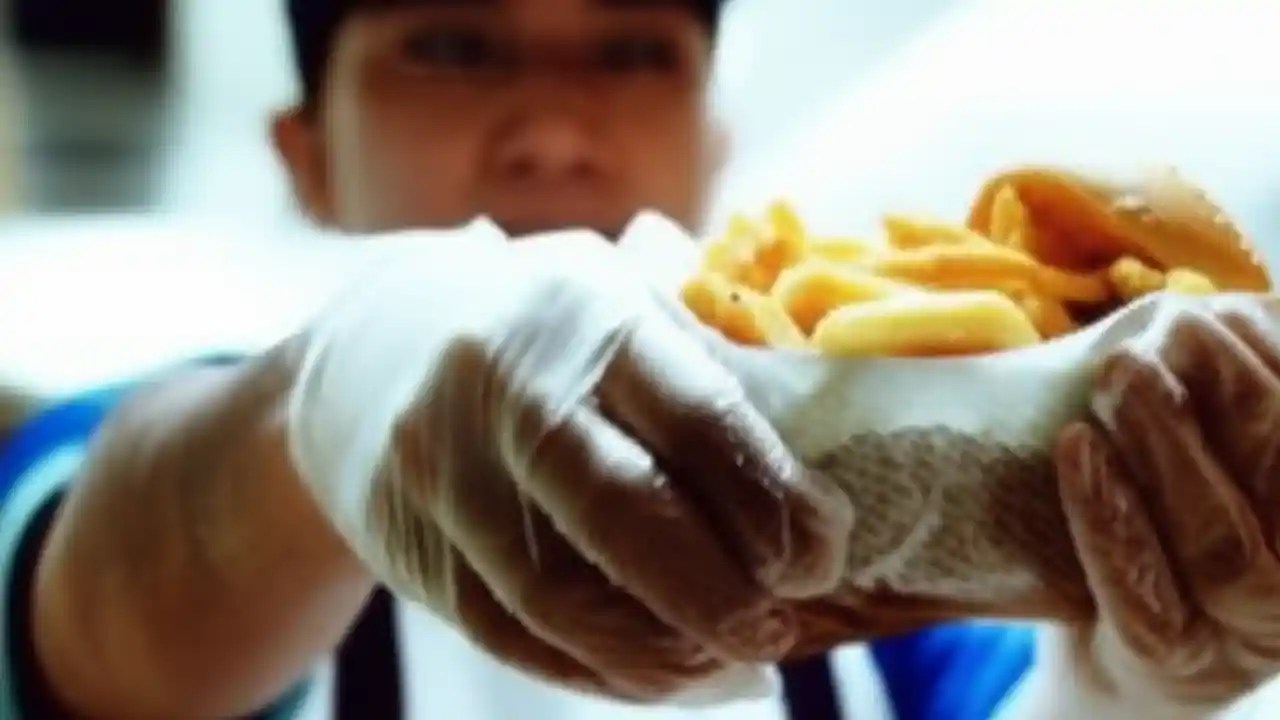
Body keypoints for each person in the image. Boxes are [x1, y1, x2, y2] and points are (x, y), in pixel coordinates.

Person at [4, 1, 1280, 719]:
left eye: (631, 53)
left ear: (711, 145)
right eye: (450, 46)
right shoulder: (171, 450)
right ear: (307, 156)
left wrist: (1122, 691)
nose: (558, 131)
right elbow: (119, 601)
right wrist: (333, 408)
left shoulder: (881, 542)